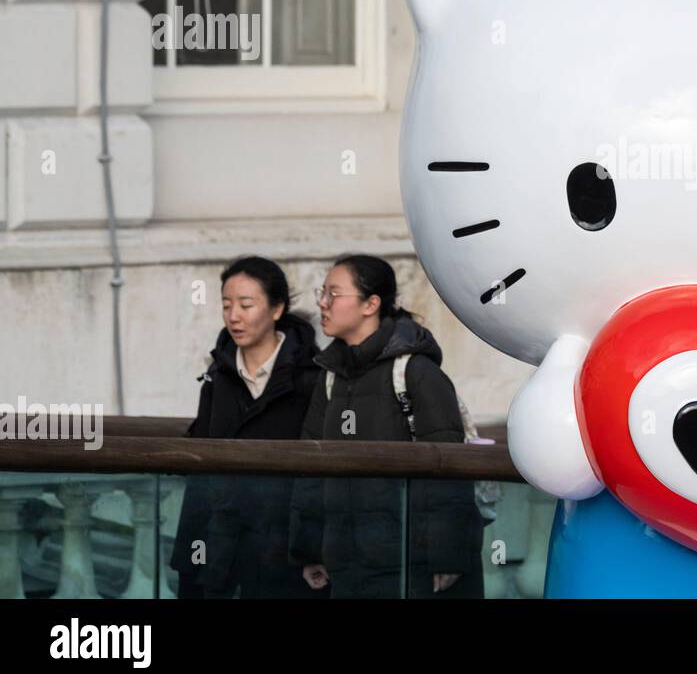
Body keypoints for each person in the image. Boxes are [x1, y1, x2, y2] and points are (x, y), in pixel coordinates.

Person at [289, 254, 485, 598]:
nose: (323, 303)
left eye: (334, 294)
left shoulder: (415, 372)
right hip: (346, 564)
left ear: (371, 304)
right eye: (323, 293)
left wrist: (446, 556)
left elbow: (449, 468)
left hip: (410, 565)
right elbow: (310, 470)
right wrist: (310, 551)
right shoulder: (329, 377)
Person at [170, 256, 323, 598]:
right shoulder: (217, 376)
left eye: (246, 304)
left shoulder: (312, 380)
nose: (234, 316)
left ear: (277, 309)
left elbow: (319, 475)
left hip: (283, 550)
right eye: (227, 305)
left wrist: (314, 549)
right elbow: (201, 462)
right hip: (216, 542)